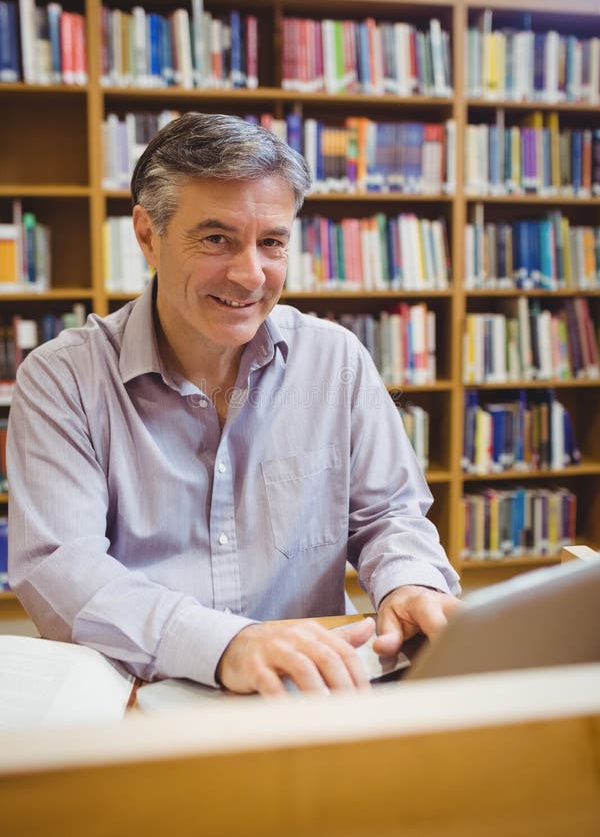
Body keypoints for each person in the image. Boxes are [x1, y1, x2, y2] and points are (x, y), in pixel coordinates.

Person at [7, 112, 460, 696]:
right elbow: (61, 571)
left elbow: (388, 515)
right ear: (148, 235)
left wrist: (410, 583)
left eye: (271, 242)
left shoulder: (335, 359)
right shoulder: (62, 379)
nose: (250, 276)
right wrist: (223, 643)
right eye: (216, 239)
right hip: (144, 694)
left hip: (313, 685)